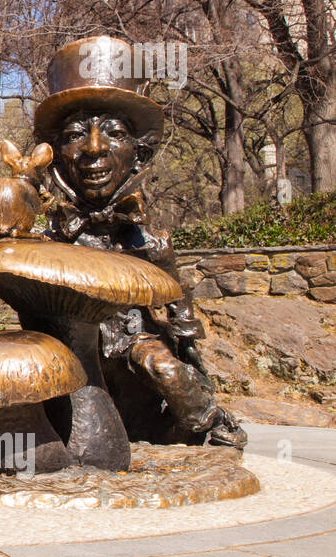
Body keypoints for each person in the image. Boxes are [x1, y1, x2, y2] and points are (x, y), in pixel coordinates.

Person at [35, 36, 245, 447]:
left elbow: (182, 328)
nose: (93, 150)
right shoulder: (48, 239)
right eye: (76, 134)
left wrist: (189, 379)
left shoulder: (149, 241)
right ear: (55, 153)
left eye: (114, 133)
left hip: (132, 349)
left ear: (140, 155)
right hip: (65, 357)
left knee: (165, 371)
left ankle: (205, 424)